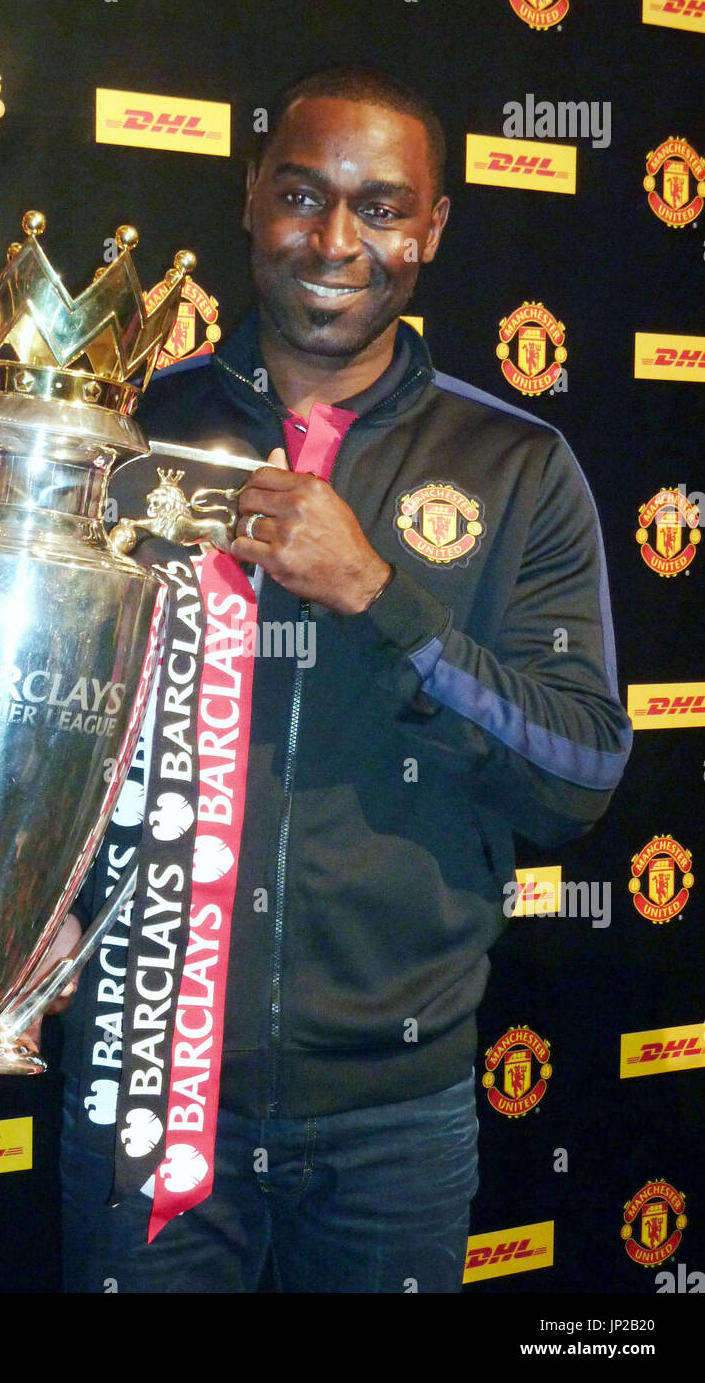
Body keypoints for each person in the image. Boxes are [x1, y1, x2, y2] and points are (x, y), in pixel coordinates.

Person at [56, 63, 632, 1293]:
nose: (334, 240)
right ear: (251, 199)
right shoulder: (124, 434)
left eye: (380, 208)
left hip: (395, 1120)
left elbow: (578, 769)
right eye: (303, 196)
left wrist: (384, 596)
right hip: (144, 1083)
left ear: (430, 229)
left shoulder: (519, 466)